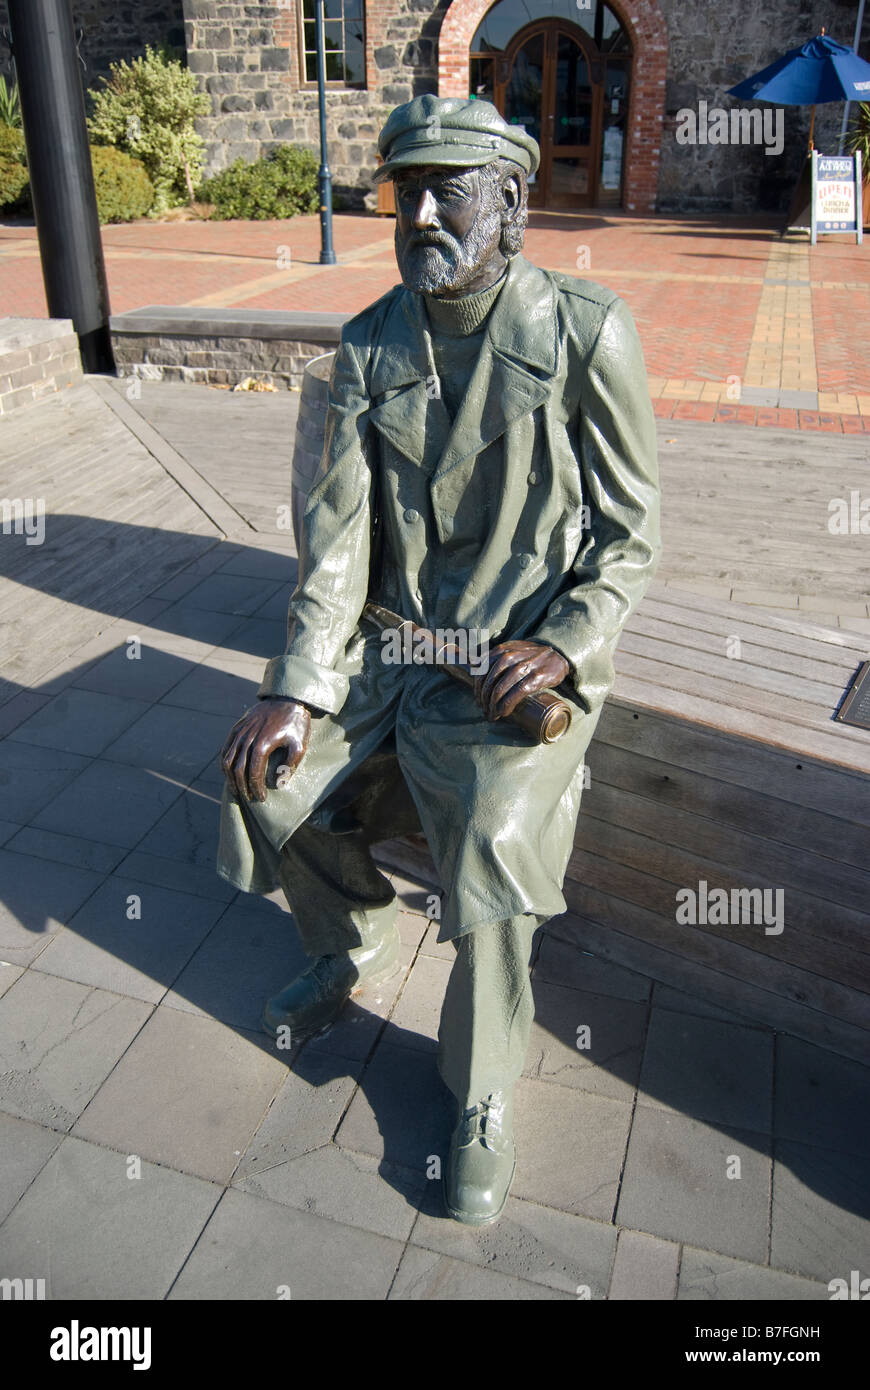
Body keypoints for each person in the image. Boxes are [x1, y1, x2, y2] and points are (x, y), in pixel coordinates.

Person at [218, 95, 661, 1226]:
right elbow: (334, 545)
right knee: (269, 782)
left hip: (516, 668)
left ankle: (480, 1089)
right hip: (393, 645)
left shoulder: (585, 334)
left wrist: (561, 646)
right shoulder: (366, 347)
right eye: (403, 189)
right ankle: (347, 942)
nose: (418, 212)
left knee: (498, 843)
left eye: (447, 190)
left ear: (510, 202)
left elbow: (629, 537)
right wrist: (297, 688)